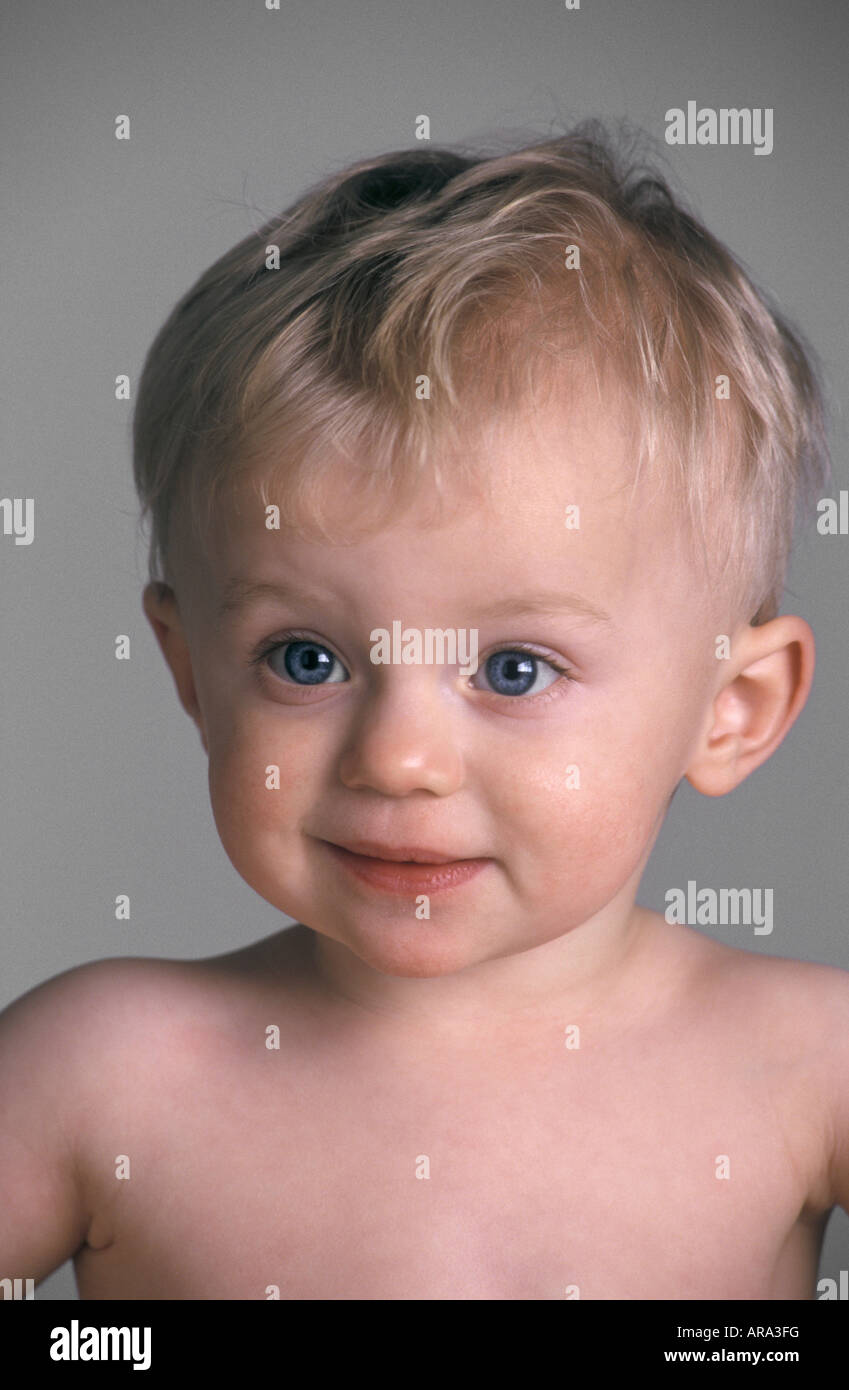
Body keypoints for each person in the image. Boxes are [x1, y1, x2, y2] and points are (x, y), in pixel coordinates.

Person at [2, 121, 847, 1300]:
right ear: (194, 671)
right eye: (305, 657)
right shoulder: (95, 1074)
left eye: (514, 669)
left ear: (732, 709)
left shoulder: (809, 1067)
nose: (398, 759)